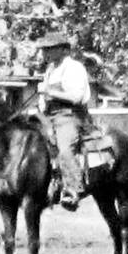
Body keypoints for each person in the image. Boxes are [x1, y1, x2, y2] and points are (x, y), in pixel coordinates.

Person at [34, 31, 94, 211]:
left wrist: (49, 92)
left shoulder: (74, 68)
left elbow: (76, 97)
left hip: (70, 116)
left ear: (63, 50)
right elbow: (44, 98)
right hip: (49, 116)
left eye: (49, 49)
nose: (45, 53)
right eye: (44, 50)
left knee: (65, 149)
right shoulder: (50, 70)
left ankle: (73, 190)